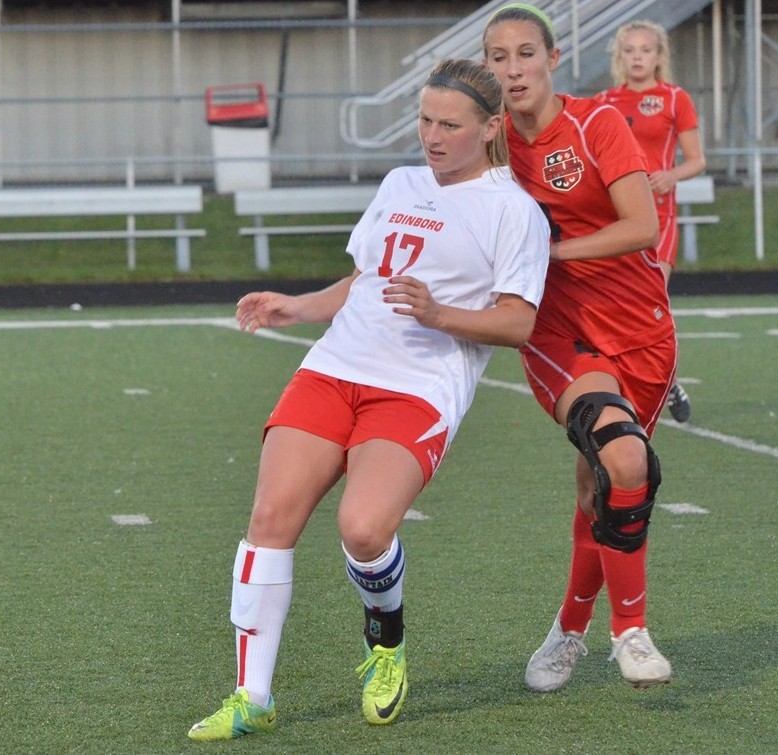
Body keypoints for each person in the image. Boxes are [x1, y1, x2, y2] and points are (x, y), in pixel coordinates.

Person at [187, 57, 551, 741]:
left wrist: (438, 313)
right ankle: (251, 694)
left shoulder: (513, 211)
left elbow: (518, 322)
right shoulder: (399, 182)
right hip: (332, 368)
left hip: (415, 390)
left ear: (491, 128)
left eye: (450, 124)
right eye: (423, 120)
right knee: (269, 517)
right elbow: (363, 279)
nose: (432, 136)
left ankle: (384, 642)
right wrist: (294, 307)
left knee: (362, 528)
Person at [482, 4, 677, 691]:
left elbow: (641, 226)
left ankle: (567, 629)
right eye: (498, 57)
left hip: (642, 329)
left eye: (524, 54)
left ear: (552, 59)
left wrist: (550, 248)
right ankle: (631, 630)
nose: (512, 69)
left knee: (601, 482)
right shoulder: (490, 143)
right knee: (623, 457)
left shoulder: (596, 123)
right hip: (557, 333)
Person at [597, 19, 706, 423]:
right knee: (617, 306)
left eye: (646, 50)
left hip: (659, 217)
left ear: (659, 56)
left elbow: (697, 160)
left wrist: (670, 176)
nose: (638, 57)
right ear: (619, 57)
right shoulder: (605, 101)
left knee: (649, 304)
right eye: (630, 50)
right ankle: (652, 382)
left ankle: (663, 379)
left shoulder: (675, 99)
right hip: (617, 219)